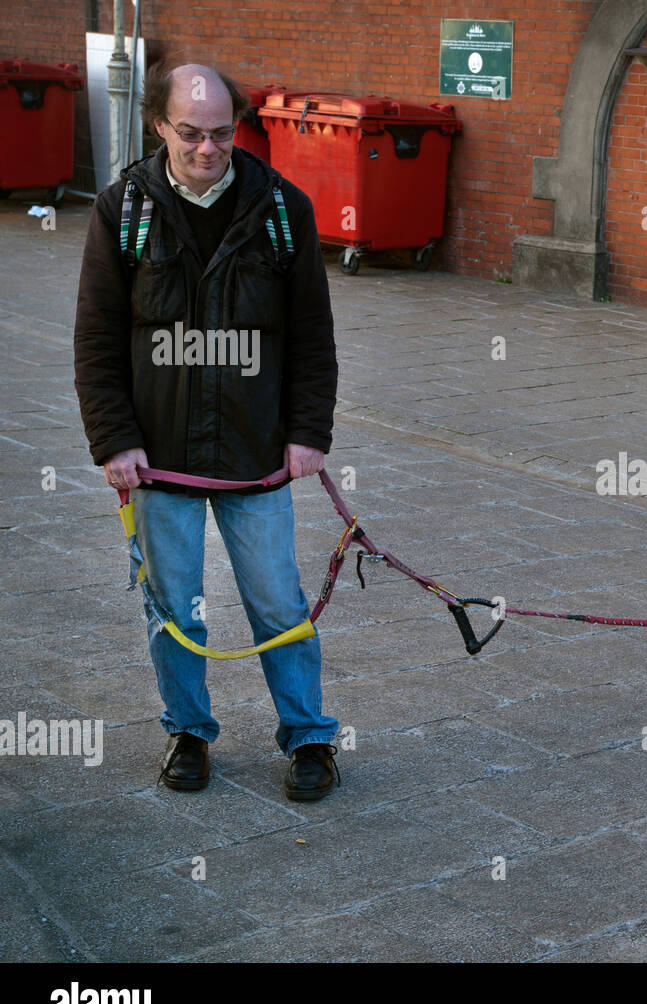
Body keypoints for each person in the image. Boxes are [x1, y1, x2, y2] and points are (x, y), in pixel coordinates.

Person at [73, 61, 341, 800]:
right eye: (189, 133)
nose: (207, 149)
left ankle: (310, 738)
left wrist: (308, 432)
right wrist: (114, 440)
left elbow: (312, 337)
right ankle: (187, 732)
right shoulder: (120, 209)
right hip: (158, 458)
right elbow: (97, 339)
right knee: (173, 604)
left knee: (278, 604)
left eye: (222, 133)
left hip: (257, 457)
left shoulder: (283, 208)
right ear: (158, 124)